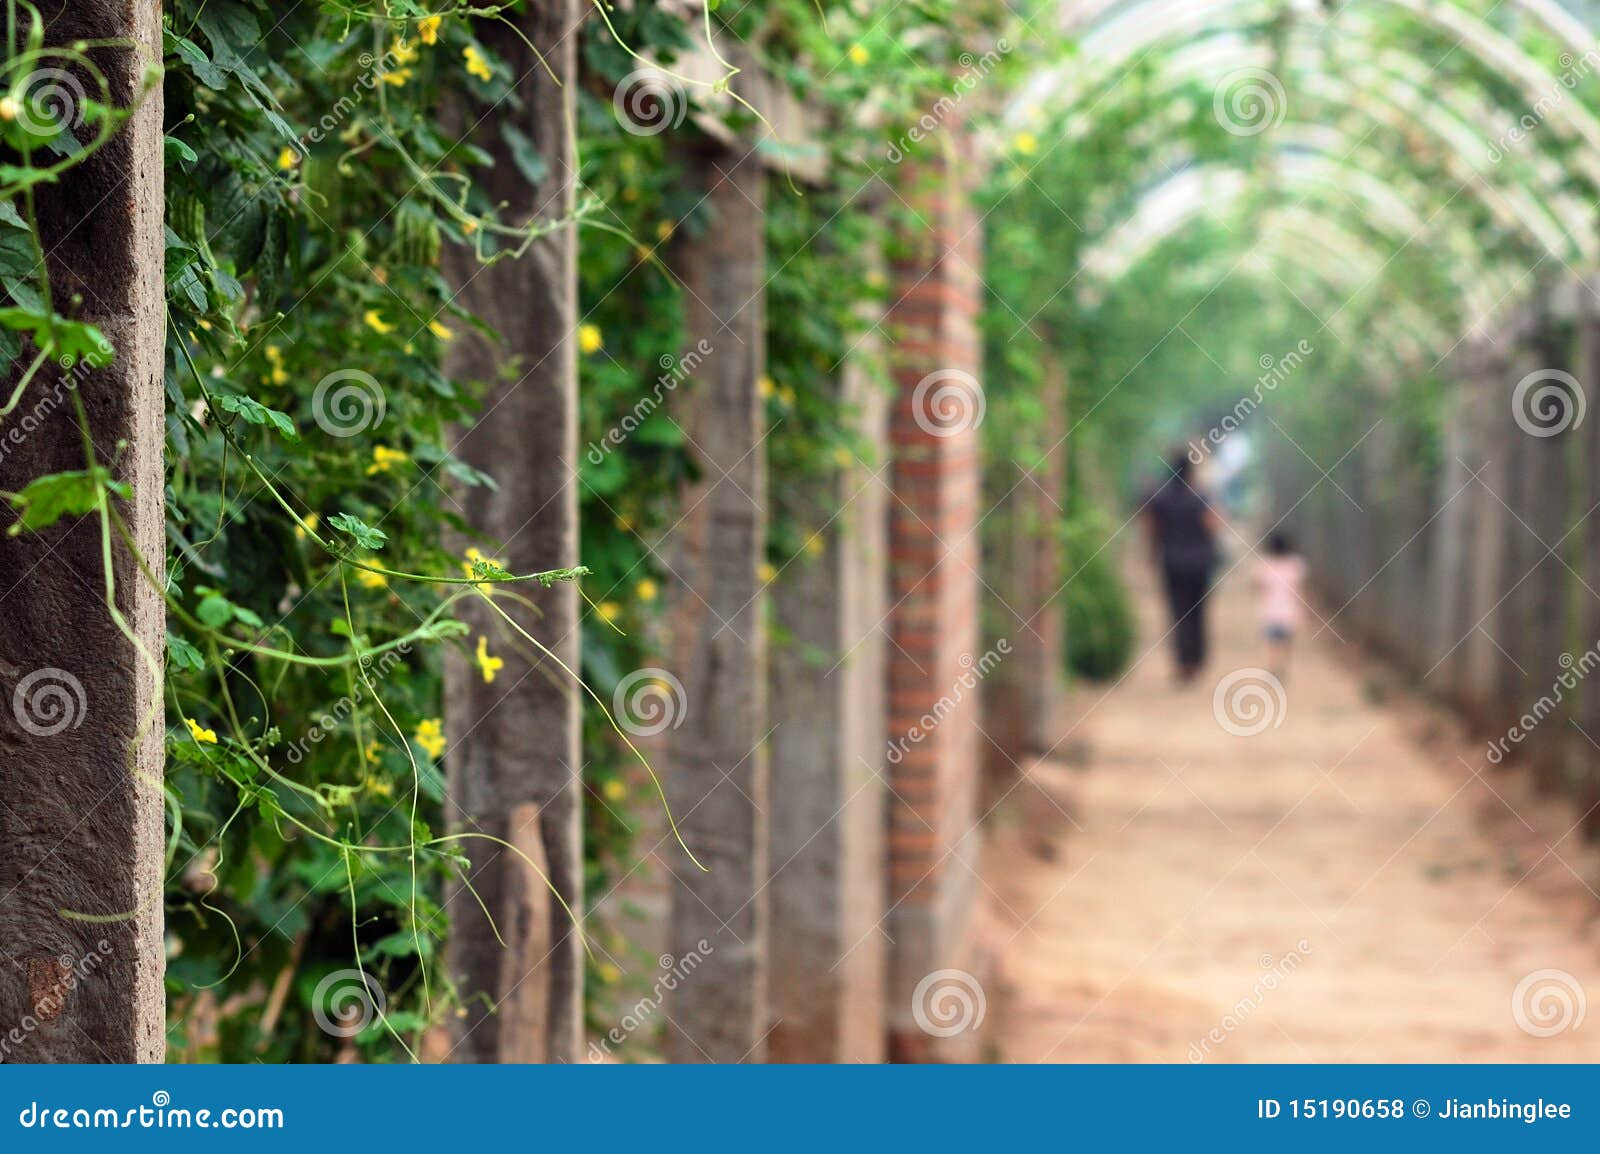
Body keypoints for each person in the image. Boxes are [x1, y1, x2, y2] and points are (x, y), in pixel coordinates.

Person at [1145, 453, 1220, 682]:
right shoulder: (1201, 496)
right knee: (1198, 612)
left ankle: (1183, 662)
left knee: (1178, 612)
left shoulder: (1161, 498)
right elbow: (1213, 525)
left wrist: (1151, 554)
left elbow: (1153, 529)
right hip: (1200, 563)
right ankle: (1196, 661)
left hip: (1172, 562)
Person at [1253, 532, 1307, 680]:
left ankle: (1274, 667)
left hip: (1270, 612)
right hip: (1290, 612)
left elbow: (1257, 584)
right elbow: (1300, 589)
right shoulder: (1295, 564)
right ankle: (1284, 667)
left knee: (1272, 643)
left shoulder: (1265, 564)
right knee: (1287, 642)